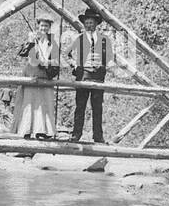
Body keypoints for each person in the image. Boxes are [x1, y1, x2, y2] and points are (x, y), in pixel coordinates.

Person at [64, 8, 114, 144]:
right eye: (86, 23)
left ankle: (98, 136)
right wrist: (74, 64)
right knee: (80, 106)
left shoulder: (104, 40)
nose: (89, 25)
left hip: (98, 76)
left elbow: (110, 56)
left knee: (97, 107)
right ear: (84, 24)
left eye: (91, 22)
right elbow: (66, 54)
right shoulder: (79, 39)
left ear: (96, 24)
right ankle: (76, 134)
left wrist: (105, 65)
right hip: (82, 75)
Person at [11, 18, 61, 140]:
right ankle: (26, 129)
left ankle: (42, 130)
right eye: (41, 26)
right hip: (31, 73)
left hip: (44, 75)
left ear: (49, 28)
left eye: (46, 26)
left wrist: (47, 62)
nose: (43, 28)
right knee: (29, 102)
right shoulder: (32, 38)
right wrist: (29, 41)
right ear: (38, 26)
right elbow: (21, 53)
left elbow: (56, 61)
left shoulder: (53, 42)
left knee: (44, 102)